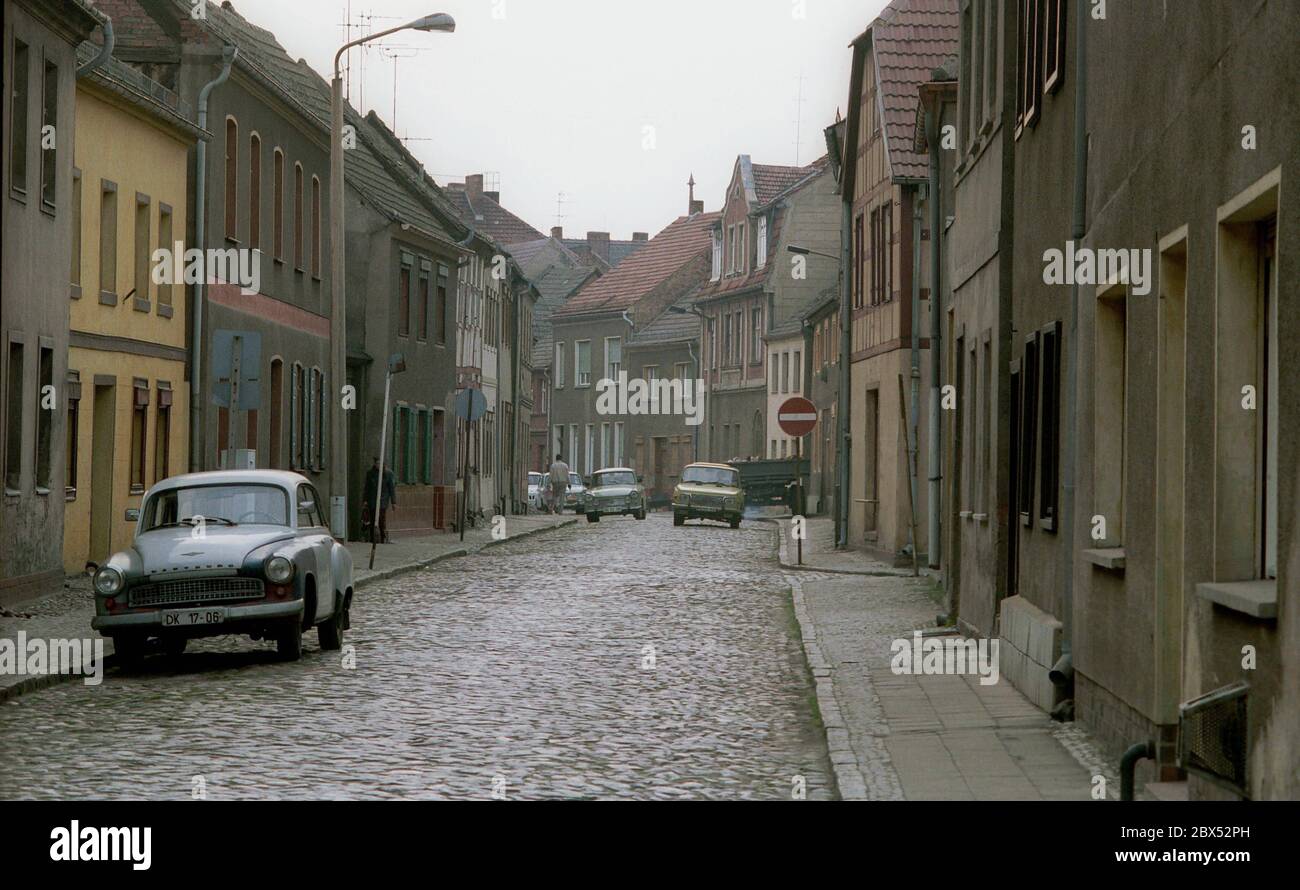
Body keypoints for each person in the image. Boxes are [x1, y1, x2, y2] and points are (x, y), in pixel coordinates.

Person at [362, 457, 397, 543]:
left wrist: (393, 502)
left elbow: (391, 488)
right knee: (372, 518)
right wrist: (365, 500)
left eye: (380, 463)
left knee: (381, 518)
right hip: (372, 499)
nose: (378, 465)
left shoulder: (388, 474)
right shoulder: (370, 474)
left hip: (383, 500)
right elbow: (367, 487)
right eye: (377, 463)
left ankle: (382, 537)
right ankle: (372, 538)